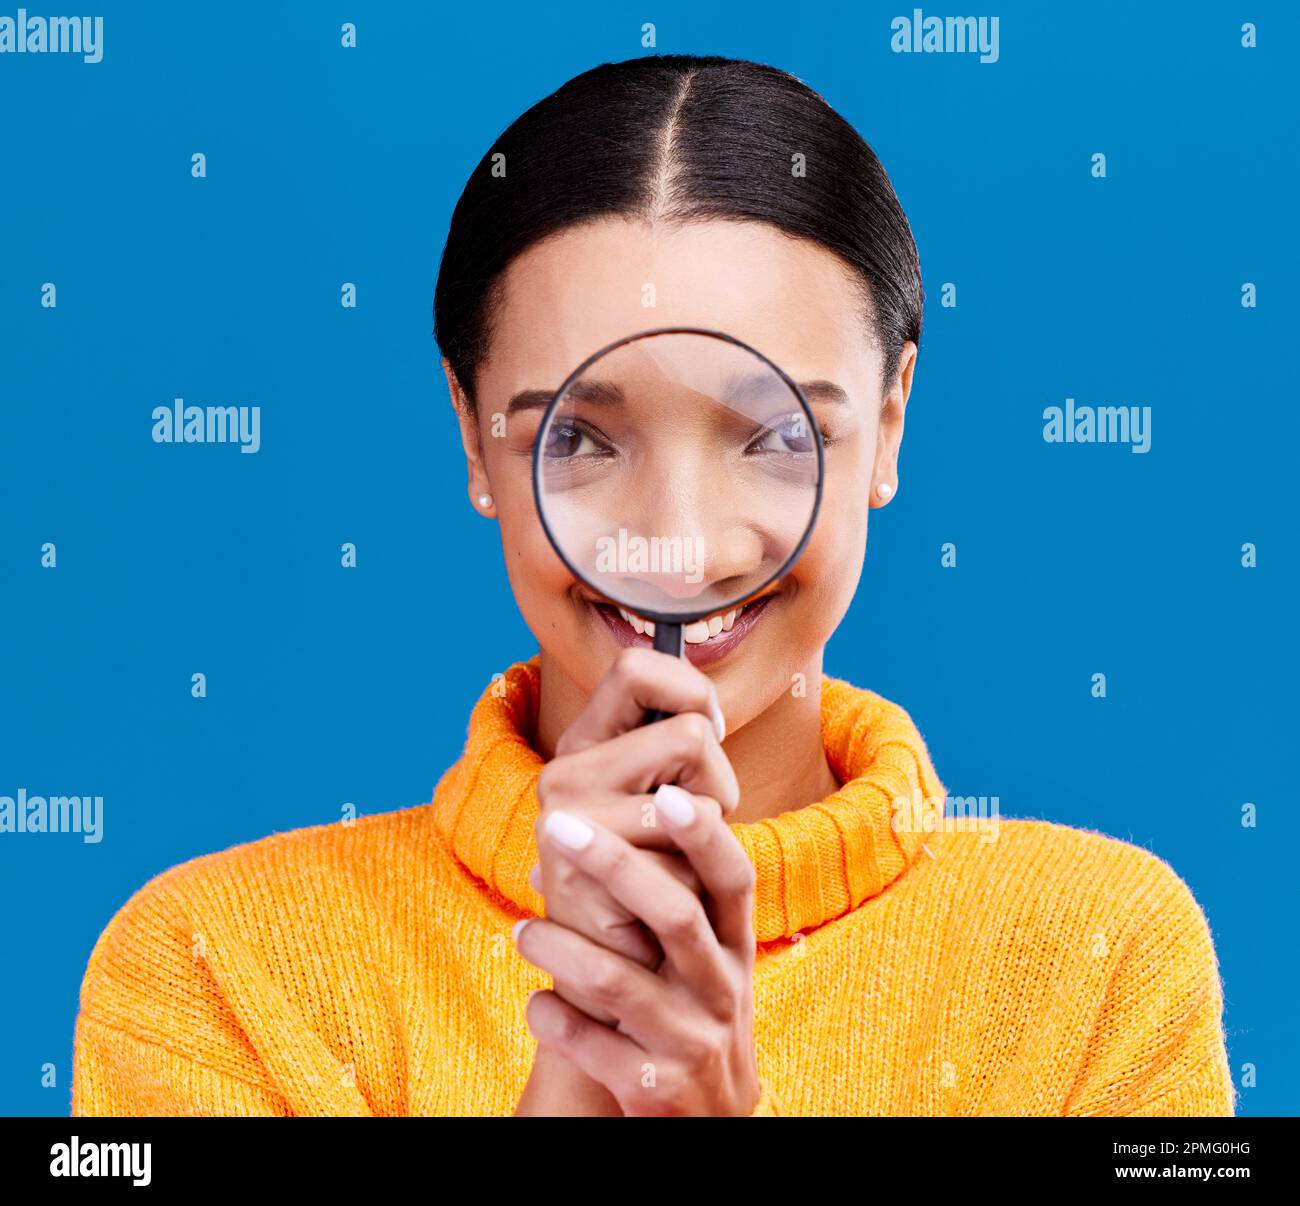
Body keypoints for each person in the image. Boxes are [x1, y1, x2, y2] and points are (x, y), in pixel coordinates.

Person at [71, 54, 1234, 1117]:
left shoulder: (1102, 958)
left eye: (776, 435)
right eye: (577, 439)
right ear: (474, 441)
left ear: (885, 429)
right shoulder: (211, 968)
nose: (676, 549)